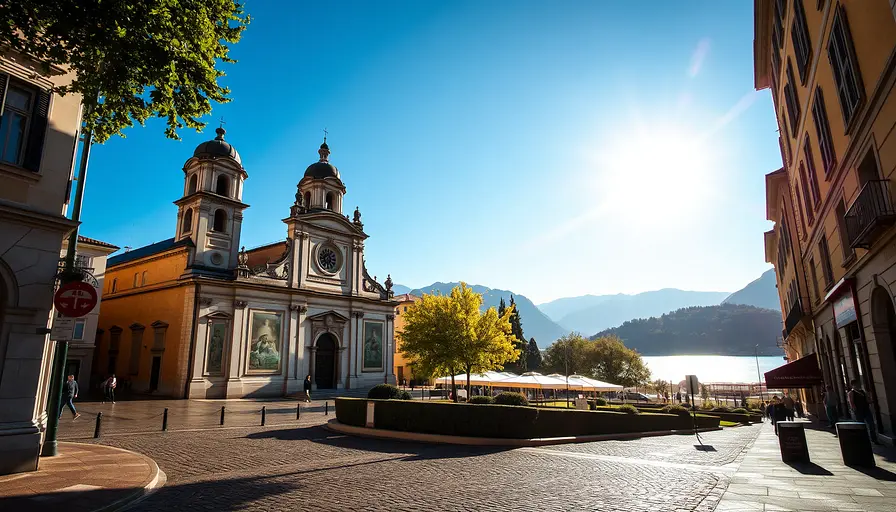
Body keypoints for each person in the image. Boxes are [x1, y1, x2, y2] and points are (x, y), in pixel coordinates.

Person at [848, 379, 880, 444]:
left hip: (866, 409)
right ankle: (863, 439)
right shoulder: (851, 393)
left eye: (858, 384)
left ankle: (874, 439)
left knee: (871, 424)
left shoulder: (862, 391)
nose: (858, 385)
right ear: (853, 385)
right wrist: (854, 410)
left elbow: (867, 400)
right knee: (861, 425)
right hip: (858, 411)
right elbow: (851, 402)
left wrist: (871, 401)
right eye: (856, 384)